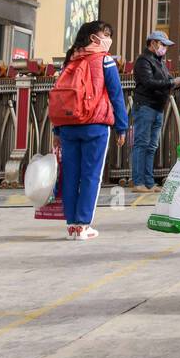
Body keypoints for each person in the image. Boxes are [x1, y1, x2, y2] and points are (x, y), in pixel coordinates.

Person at [54, 21, 129, 241]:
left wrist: (57, 129)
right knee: (91, 176)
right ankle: (83, 225)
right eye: (104, 34)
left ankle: (71, 226)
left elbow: (60, 96)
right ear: (93, 37)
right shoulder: (106, 61)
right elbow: (116, 96)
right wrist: (121, 127)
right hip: (95, 126)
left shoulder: (71, 60)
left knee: (70, 175)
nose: (108, 38)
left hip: (68, 126)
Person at [131, 30, 180, 192]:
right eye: (163, 45)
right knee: (141, 144)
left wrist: (174, 82)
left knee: (152, 145)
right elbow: (149, 82)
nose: (165, 49)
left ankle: (149, 182)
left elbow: (164, 80)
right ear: (153, 43)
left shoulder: (159, 61)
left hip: (157, 107)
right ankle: (138, 182)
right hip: (145, 106)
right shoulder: (143, 61)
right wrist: (171, 83)